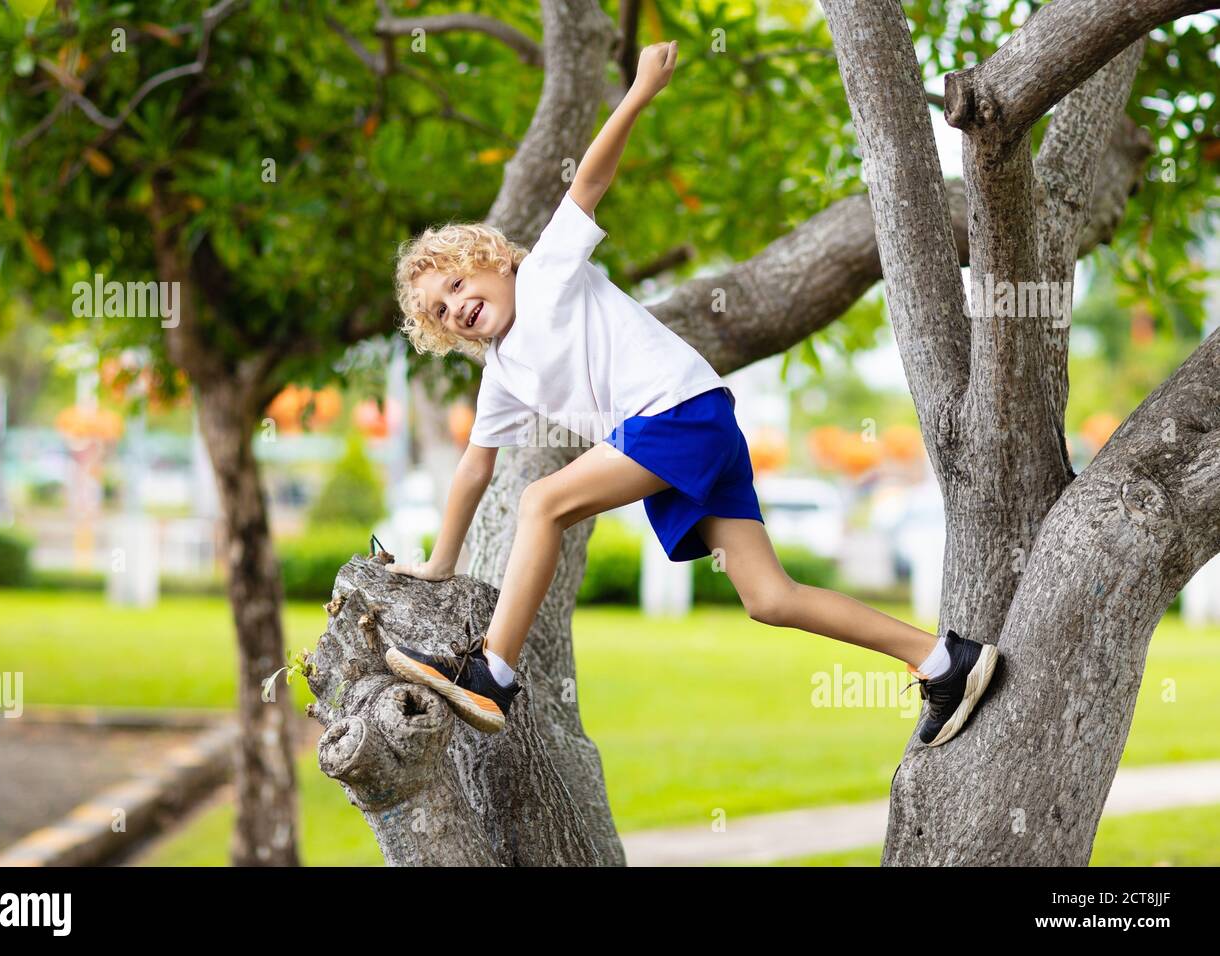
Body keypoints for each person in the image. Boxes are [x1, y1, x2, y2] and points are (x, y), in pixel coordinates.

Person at [382, 40, 999, 746]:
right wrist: (439, 561)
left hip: (679, 416)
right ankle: (946, 661)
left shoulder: (545, 273)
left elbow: (586, 184)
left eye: (457, 284)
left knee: (541, 501)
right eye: (437, 310)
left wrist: (638, 93)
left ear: (490, 262)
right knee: (768, 598)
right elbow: (471, 468)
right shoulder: (503, 372)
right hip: (677, 437)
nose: (453, 305)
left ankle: (493, 674)